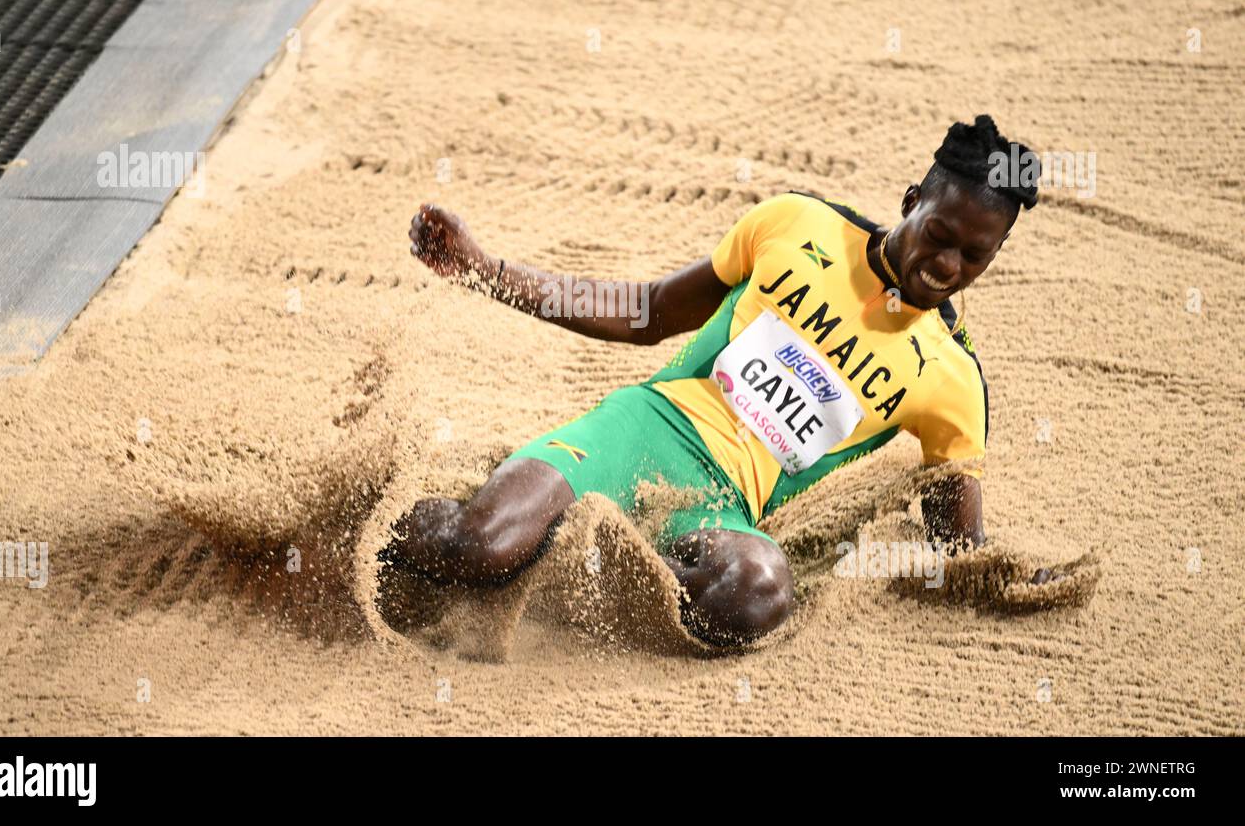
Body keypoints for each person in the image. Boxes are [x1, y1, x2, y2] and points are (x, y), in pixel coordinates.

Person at [389, 115, 1053, 647]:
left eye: (975, 255)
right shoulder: (799, 224)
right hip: (643, 430)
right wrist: (487, 269)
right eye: (938, 234)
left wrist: (1008, 577)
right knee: (476, 546)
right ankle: (395, 520)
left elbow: (958, 541)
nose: (946, 264)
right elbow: (646, 312)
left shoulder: (952, 377)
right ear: (913, 201)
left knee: (758, 594)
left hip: (718, 510)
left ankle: (581, 560)